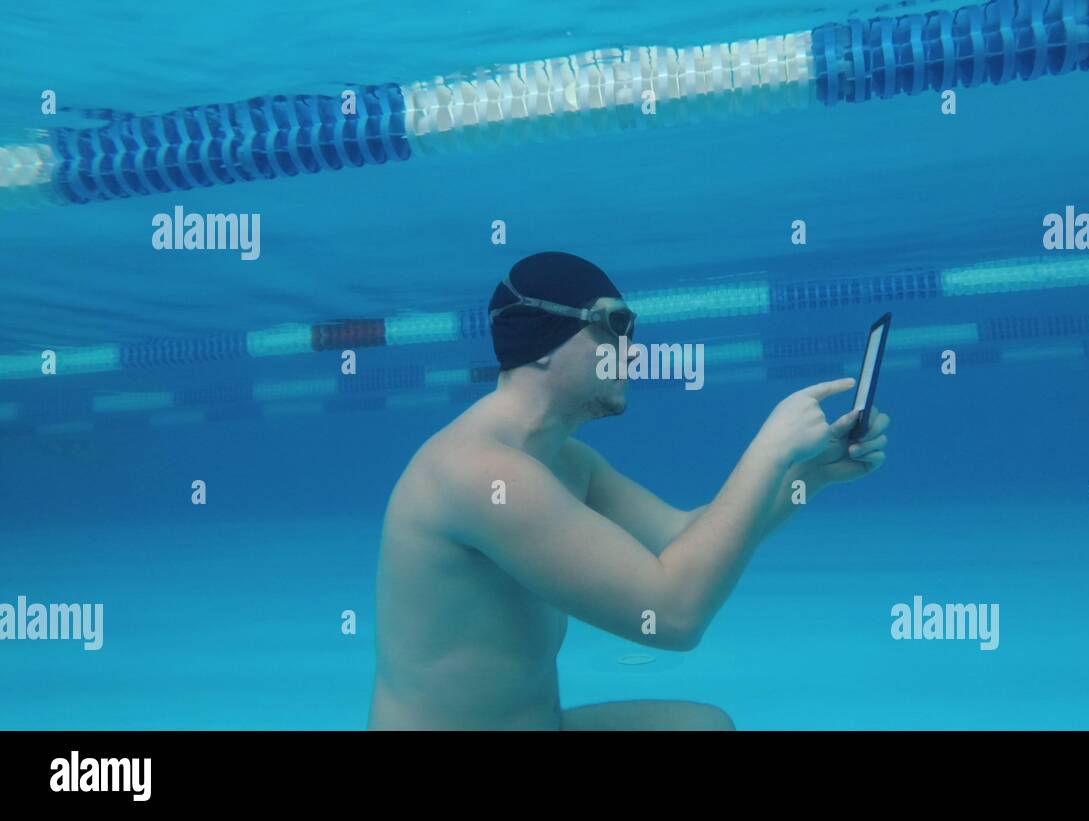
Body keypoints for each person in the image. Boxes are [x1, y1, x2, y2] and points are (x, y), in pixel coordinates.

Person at [368, 251, 889, 730]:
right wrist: (768, 452)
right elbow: (673, 616)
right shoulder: (481, 472)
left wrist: (808, 476)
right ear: (542, 343)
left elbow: (683, 535)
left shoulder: (563, 462)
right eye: (616, 325)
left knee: (701, 728)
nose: (632, 353)